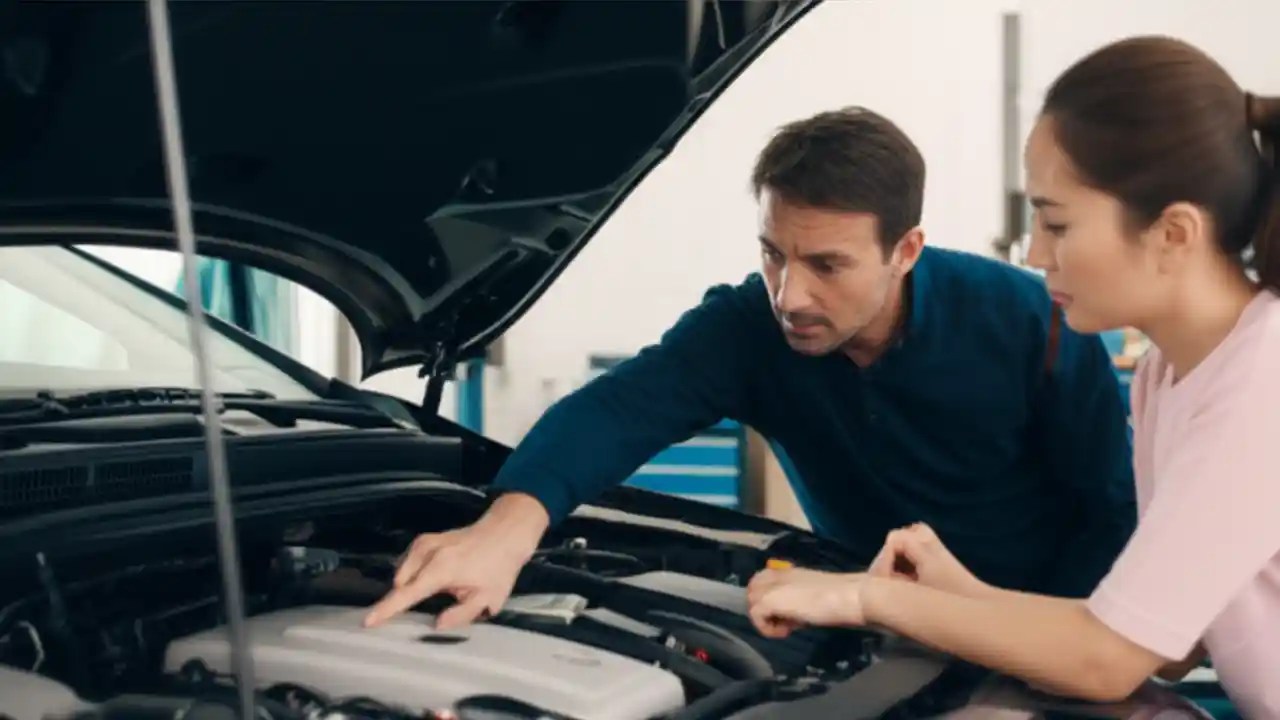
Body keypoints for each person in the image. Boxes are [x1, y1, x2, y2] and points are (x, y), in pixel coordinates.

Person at [363, 106, 1137, 631]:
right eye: (773, 253)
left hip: (1043, 628)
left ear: (905, 251)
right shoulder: (746, 328)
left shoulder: (1036, 323)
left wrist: (1036, 668)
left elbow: (1109, 516)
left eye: (827, 264)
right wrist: (507, 529)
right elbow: (619, 409)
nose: (789, 295)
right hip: (874, 622)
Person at [744, 36, 1280, 718]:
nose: (1035, 252)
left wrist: (867, 596)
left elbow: (1107, 661)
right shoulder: (1165, 377)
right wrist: (957, 593)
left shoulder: (1263, 380)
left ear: (1172, 234)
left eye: (1056, 223)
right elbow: (1166, 643)